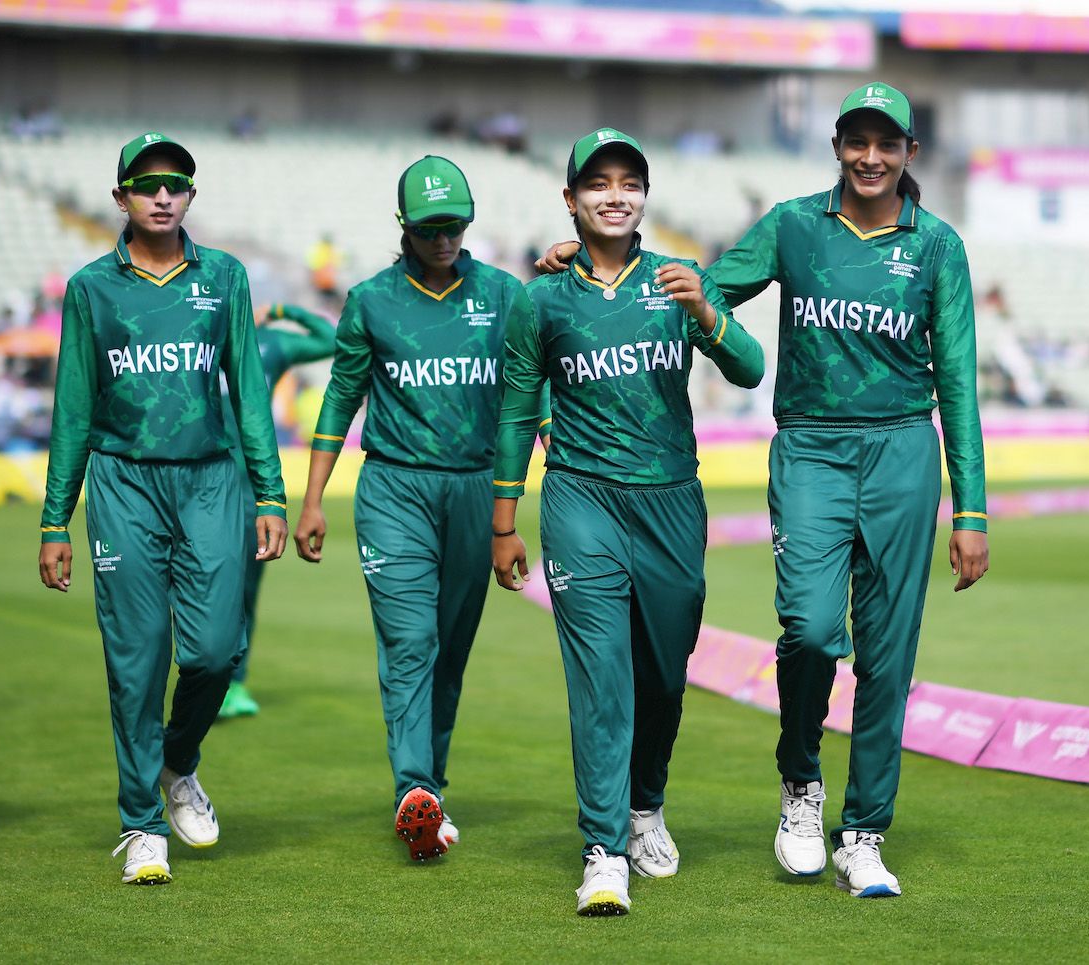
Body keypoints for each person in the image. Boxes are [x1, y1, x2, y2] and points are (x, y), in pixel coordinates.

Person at [538, 84, 990, 899]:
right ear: (837, 145)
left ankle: (865, 831)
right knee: (814, 632)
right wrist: (589, 266)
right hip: (811, 448)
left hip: (903, 453)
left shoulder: (938, 248)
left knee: (888, 659)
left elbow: (957, 382)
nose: (871, 156)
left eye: (887, 144)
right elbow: (696, 287)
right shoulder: (792, 226)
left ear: (910, 154)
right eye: (857, 140)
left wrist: (972, 508)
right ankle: (801, 783)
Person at [493, 129, 763, 916]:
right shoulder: (538, 298)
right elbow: (516, 412)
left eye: (630, 183)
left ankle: (646, 804)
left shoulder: (678, 280)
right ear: (571, 199)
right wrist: (504, 522)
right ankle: (604, 848)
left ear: (644, 197)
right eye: (599, 183)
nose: (616, 195)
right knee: (602, 678)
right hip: (581, 500)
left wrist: (707, 312)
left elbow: (749, 366)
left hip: (673, 501)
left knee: (664, 675)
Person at [37, 132, 288, 886]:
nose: (161, 194)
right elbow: (73, 409)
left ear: (190, 196)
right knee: (136, 659)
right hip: (122, 485)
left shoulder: (225, 277)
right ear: (120, 197)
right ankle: (141, 824)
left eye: (176, 182)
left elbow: (248, 389)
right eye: (146, 184)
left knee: (217, 650)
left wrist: (269, 490)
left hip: (213, 481)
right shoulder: (90, 288)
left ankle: (177, 763)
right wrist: (56, 518)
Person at [294, 156, 536, 861]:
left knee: (450, 653)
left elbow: (530, 399)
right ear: (403, 225)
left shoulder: (506, 295)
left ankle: (431, 785)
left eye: (456, 226)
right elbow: (341, 397)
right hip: (394, 489)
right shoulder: (371, 301)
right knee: (411, 642)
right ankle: (414, 789)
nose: (444, 240)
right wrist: (312, 500)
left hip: (474, 488)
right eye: (430, 228)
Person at [218, 302, 336, 719]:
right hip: (192, 484)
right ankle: (198, 676)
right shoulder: (190, 339)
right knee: (191, 588)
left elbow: (329, 338)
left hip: (254, 487)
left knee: (245, 590)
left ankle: (233, 684)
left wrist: (287, 309)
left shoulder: (268, 344)